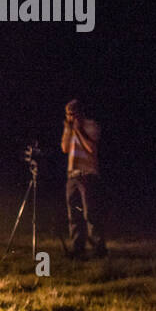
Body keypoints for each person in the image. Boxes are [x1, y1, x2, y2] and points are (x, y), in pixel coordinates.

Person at [60, 98, 106, 259]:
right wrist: (68, 129)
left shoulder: (91, 126)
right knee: (73, 214)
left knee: (90, 213)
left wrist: (79, 130)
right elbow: (65, 148)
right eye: (67, 114)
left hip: (88, 175)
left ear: (80, 113)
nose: (70, 117)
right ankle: (77, 247)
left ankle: (98, 248)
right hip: (72, 175)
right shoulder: (69, 128)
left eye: (72, 114)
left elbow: (91, 148)